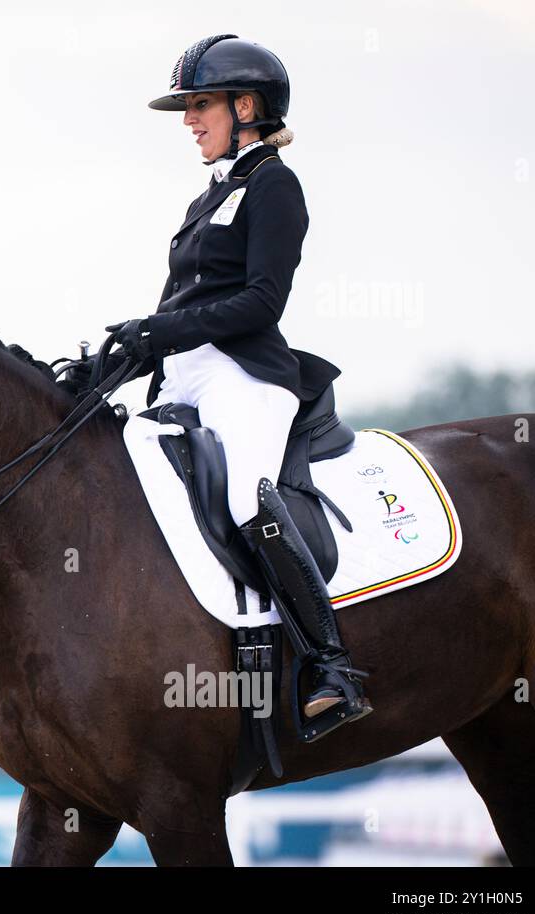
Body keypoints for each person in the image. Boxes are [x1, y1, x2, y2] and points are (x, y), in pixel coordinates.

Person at [88, 35, 372, 734]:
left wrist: (162, 331)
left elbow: (261, 302)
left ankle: (328, 661)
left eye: (200, 104)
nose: (189, 120)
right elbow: (180, 304)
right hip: (186, 376)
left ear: (246, 106)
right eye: (188, 107)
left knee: (248, 497)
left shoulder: (275, 185)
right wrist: (127, 352)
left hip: (247, 376)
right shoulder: (209, 195)